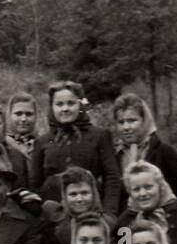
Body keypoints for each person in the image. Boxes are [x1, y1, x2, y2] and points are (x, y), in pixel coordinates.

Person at [29, 81, 122, 217]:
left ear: (80, 105)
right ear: (52, 107)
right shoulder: (42, 142)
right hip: (55, 216)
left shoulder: (100, 136)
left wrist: (109, 213)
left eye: (71, 103)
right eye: (59, 104)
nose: (65, 109)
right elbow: (35, 184)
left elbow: (112, 177)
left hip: (92, 213)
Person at [111, 93, 177, 205]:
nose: (126, 127)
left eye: (132, 121)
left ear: (144, 121)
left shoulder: (164, 152)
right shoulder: (114, 156)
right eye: (121, 122)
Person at [41, 165, 105, 244]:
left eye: (84, 193)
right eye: (73, 194)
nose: (79, 199)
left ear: (93, 194)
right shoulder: (55, 227)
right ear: (64, 196)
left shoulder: (107, 224)